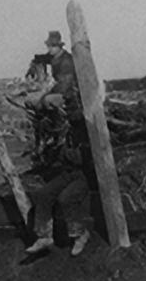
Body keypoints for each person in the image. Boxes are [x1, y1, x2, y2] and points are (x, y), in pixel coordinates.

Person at [25, 118, 95, 257]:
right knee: (44, 194)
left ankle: (80, 234)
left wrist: (64, 151)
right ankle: (44, 236)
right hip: (68, 173)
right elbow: (58, 158)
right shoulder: (66, 132)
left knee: (66, 198)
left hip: (85, 175)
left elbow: (80, 158)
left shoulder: (90, 132)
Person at [26, 31, 82, 120]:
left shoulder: (66, 61)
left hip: (69, 96)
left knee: (46, 100)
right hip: (62, 91)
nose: (50, 49)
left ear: (59, 47)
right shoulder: (55, 56)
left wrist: (47, 92)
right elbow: (44, 58)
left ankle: (57, 124)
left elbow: (64, 86)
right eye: (49, 46)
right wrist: (34, 63)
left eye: (53, 46)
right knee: (34, 101)